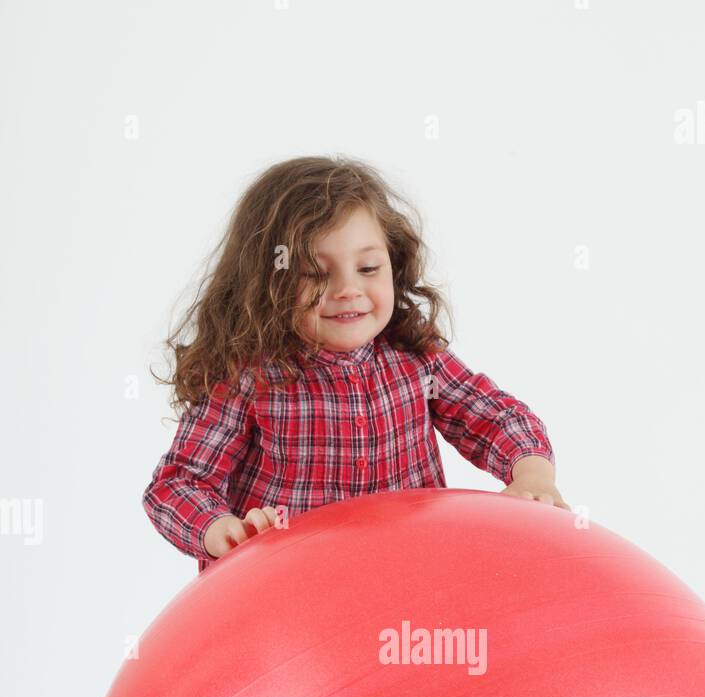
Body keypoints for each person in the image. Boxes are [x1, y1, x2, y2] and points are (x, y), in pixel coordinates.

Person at [144, 156, 569, 573]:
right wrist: (223, 530)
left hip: (406, 575)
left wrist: (532, 475)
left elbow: (495, 415)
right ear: (267, 282)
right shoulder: (249, 376)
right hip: (289, 590)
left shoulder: (417, 354)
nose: (348, 289)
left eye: (368, 267)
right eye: (315, 272)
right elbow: (177, 484)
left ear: (394, 264)